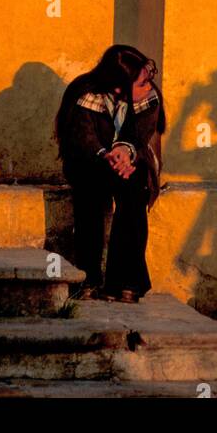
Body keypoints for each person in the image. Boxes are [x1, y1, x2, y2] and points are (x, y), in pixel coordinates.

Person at [55, 45, 165, 302]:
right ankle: (88, 278)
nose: (148, 87)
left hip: (130, 162)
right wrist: (107, 155)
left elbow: (141, 137)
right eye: (140, 83)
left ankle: (125, 281)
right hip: (89, 162)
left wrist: (125, 153)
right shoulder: (84, 93)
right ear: (118, 87)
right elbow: (82, 139)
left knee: (135, 190)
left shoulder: (148, 98)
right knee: (89, 196)